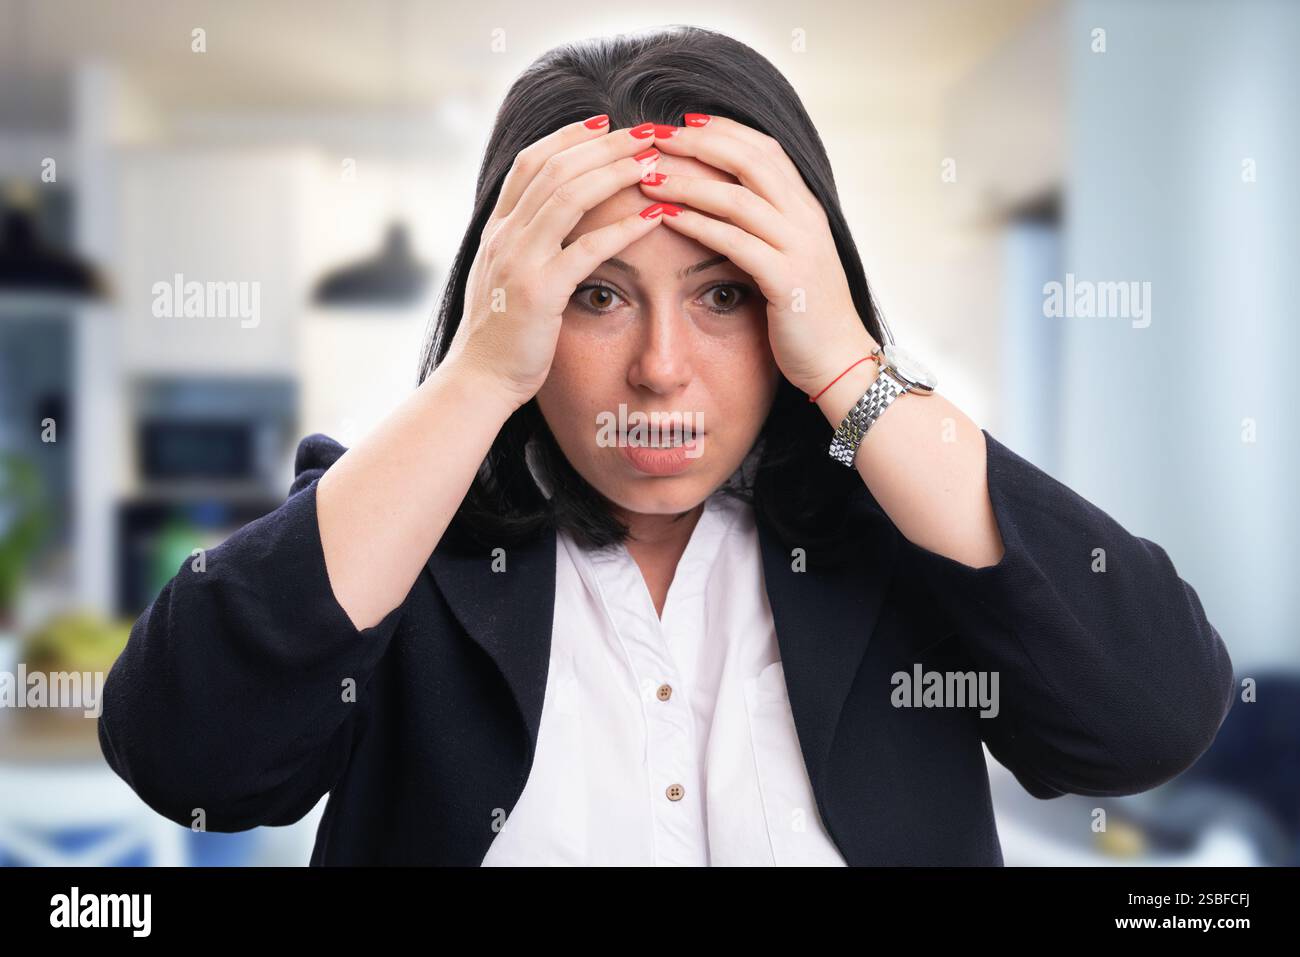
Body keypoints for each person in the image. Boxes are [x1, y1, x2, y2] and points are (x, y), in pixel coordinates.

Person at [98, 25, 1235, 866]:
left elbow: (1149, 719)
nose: (659, 367)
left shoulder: (894, 535)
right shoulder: (399, 546)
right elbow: (186, 759)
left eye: (724, 295)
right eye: (593, 294)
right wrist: (479, 376)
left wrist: (851, 370)